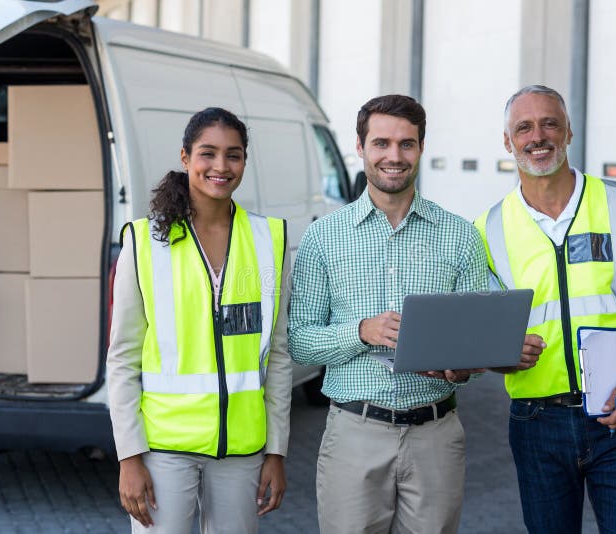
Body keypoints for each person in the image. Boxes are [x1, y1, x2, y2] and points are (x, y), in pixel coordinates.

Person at [288, 94, 544, 534]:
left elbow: (473, 343)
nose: (394, 156)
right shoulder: (323, 238)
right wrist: (361, 331)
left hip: (435, 437)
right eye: (381, 143)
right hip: (354, 435)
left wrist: (462, 369)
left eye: (406, 144)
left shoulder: (460, 236)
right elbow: (300, 341)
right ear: (360, 147)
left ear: (422, 148)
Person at [474, 85, 616, 533]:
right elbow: (487, 342)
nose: (538, 136)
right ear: (507, 141)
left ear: (569, 131)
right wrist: (502, 355)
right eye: (524, 128)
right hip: (535, 423)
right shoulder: (488, 229)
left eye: (550, 123)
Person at [106, 107, 292, 533]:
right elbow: (123, 358)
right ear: (185, 157)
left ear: (245, 161)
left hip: (242, 450)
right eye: (208, 153)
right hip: (163, 449)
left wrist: (276, 451)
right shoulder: (144, 242)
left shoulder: (270, 240)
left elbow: (279, 355)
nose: (221, 166)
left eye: (233, 155)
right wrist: (129, 456)